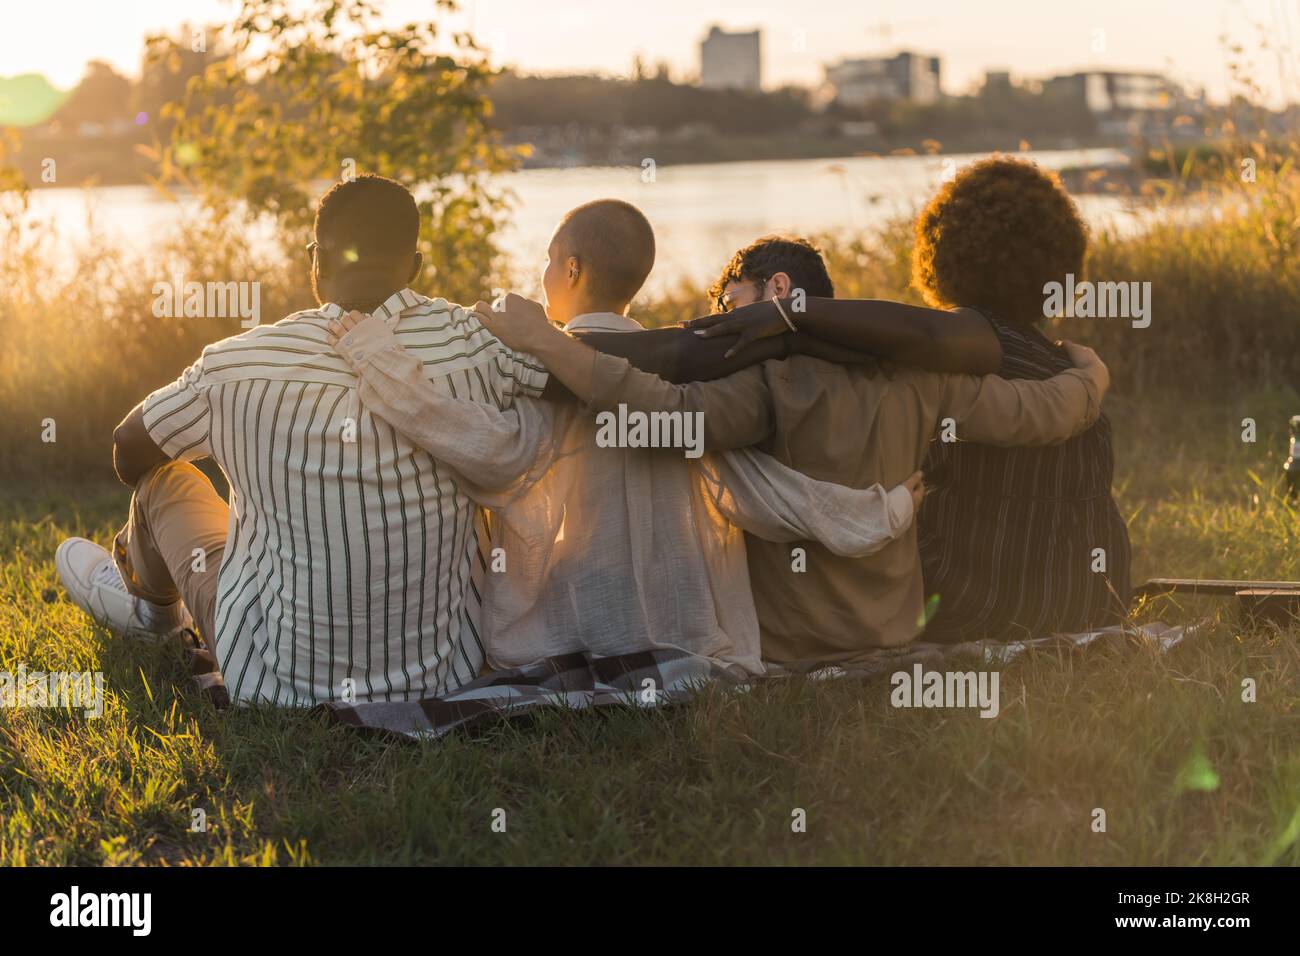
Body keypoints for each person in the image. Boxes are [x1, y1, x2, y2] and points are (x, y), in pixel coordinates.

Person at [326, 199, 924, 674]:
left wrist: (376, 357)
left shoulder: (541, 374)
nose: (542, 276)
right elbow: (767, 490)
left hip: (572, 622)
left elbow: (480, 445)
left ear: (572, 270)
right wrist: (883, 512)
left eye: (548, 260)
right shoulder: (676, 378)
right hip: (682, 625)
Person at [56, 174, 555, 705]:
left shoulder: (237, 363)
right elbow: (595, 367)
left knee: (165, 483)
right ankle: (159, 601)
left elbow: (129, 449)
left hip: (277, 676)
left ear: (315, 261)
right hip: (443, 673)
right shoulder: (477, 343)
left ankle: (152, 609)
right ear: (414, 268)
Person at [473, 285, 1112, 666]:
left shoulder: (767, 384)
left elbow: (666, 417)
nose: (723, 318)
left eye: (732, 302)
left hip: (791, 641)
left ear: (773, 293)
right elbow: (1045, 414)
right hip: (891, 628)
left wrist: (550, 344)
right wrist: (1090, 374)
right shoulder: (929, 383)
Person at [689, 160, 1131, 642]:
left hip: (979, 604)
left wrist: (789, 319)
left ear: (942, 256)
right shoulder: (1061, 362)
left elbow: (915, 338)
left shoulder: (961, 346)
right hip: (1090, 596)